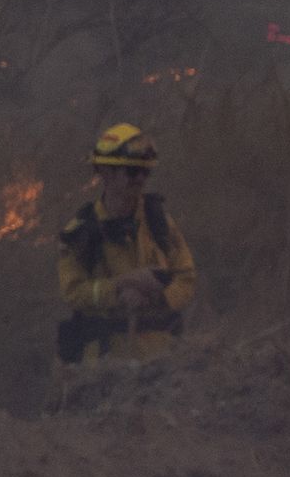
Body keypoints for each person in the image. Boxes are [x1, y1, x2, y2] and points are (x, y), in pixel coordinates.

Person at [53, 121, 198, 368]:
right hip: (104, 364)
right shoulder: (80, 233)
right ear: (106, 172)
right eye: (132, 171)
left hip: (162, 360)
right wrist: (120, 290)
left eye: (146, 171)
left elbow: (186, 277)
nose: (140, 178)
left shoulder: (159, 221)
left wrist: (159, 299)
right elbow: (73, 292)